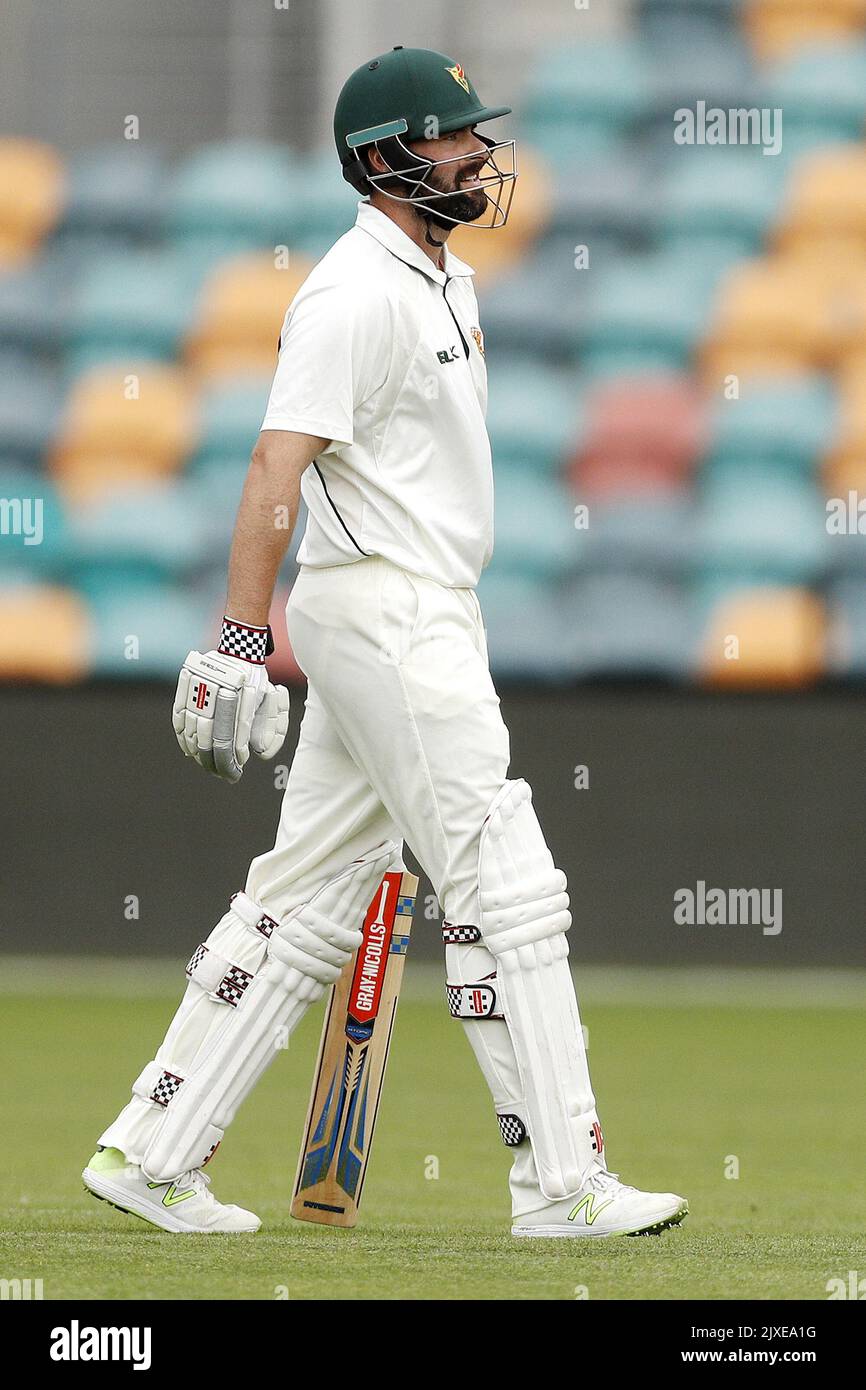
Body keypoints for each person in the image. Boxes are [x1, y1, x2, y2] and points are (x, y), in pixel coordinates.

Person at [83, 45, 688, 1238]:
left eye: (474, 135)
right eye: (451, 137)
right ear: (384, 159)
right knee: (502, 880)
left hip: (415, 606)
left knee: (305, 896)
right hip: (385, 609)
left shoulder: (442, 279)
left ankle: (150, 1150)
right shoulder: (348, 294)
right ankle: (561, 1183)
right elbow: (276, 462)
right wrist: (242, 637)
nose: (476, 155)